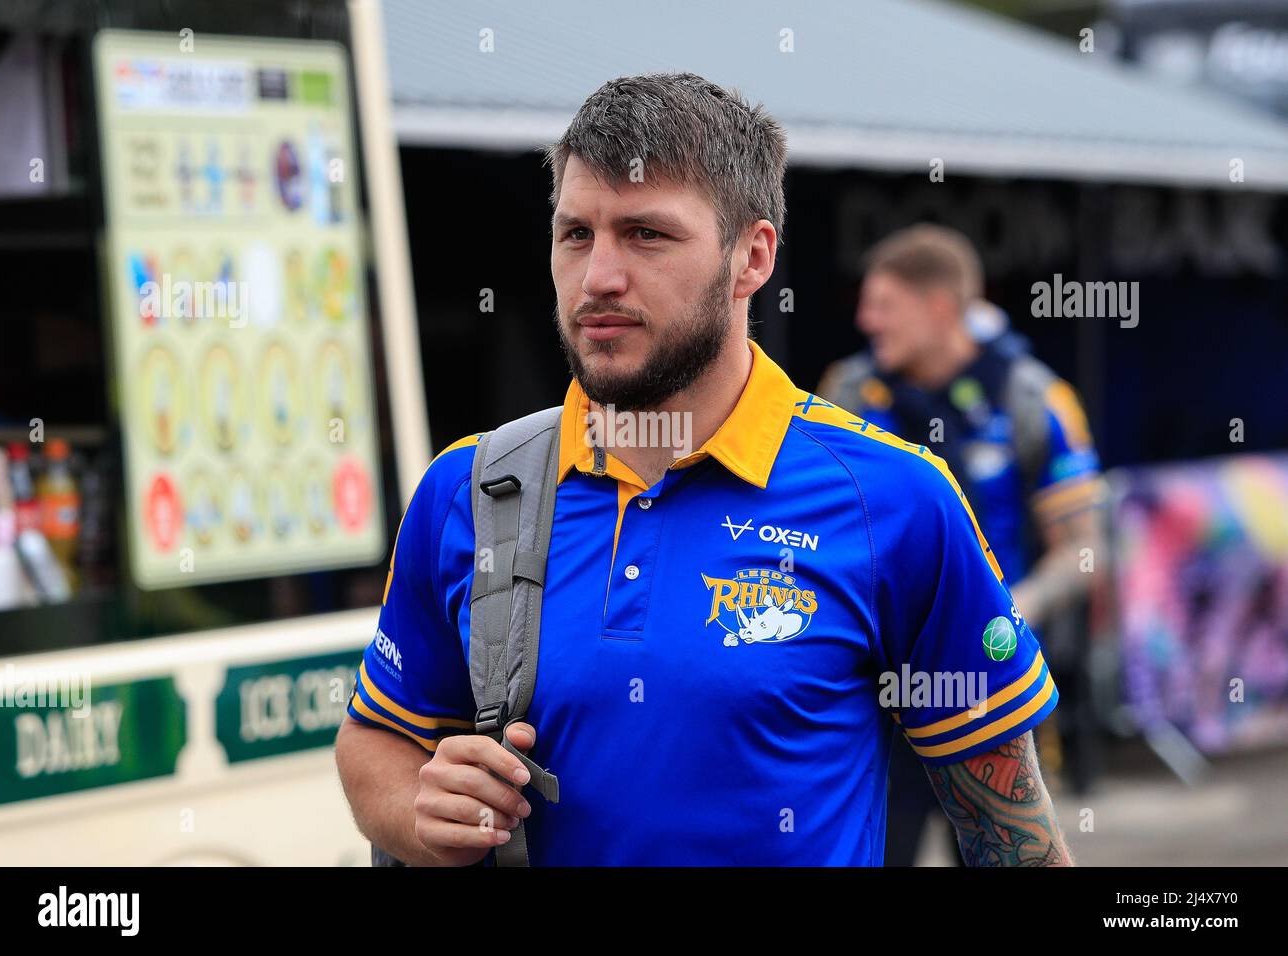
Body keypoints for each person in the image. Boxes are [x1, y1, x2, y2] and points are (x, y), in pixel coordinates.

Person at [335, 74, 1072, 866]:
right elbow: (377, 735)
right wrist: (418, 809)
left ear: (751, 257)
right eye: (576, 234)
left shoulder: (893, 500)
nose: (599, 279)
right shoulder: (471, 490)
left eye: (647, 235)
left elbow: (1013, 836)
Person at [817, 224, 1105, 866]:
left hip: (989, 686)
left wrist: (996, 614)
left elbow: (1086, 550)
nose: (865, 320)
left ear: (940, 307)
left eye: (884, 305)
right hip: (877, 695)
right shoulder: (845, 394)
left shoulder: (1034, 396)